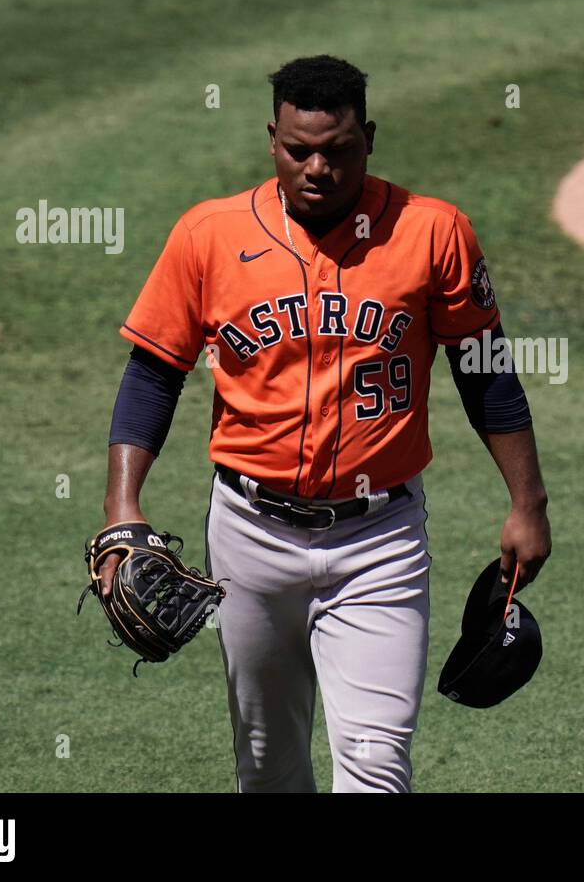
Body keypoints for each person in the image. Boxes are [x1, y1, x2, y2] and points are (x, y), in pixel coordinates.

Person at [96, 54, 551, 792]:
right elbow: (154, 373)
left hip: (381, 540)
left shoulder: (433, 234)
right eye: (297, 149)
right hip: (249, 536)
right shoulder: (208, 236)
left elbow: (486, 371)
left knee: (376, 768)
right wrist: (123, 507)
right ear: (271, 138)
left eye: (337, 150)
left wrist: (528, 504)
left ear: (367, 138)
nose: (317, 168)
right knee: (270, 772)